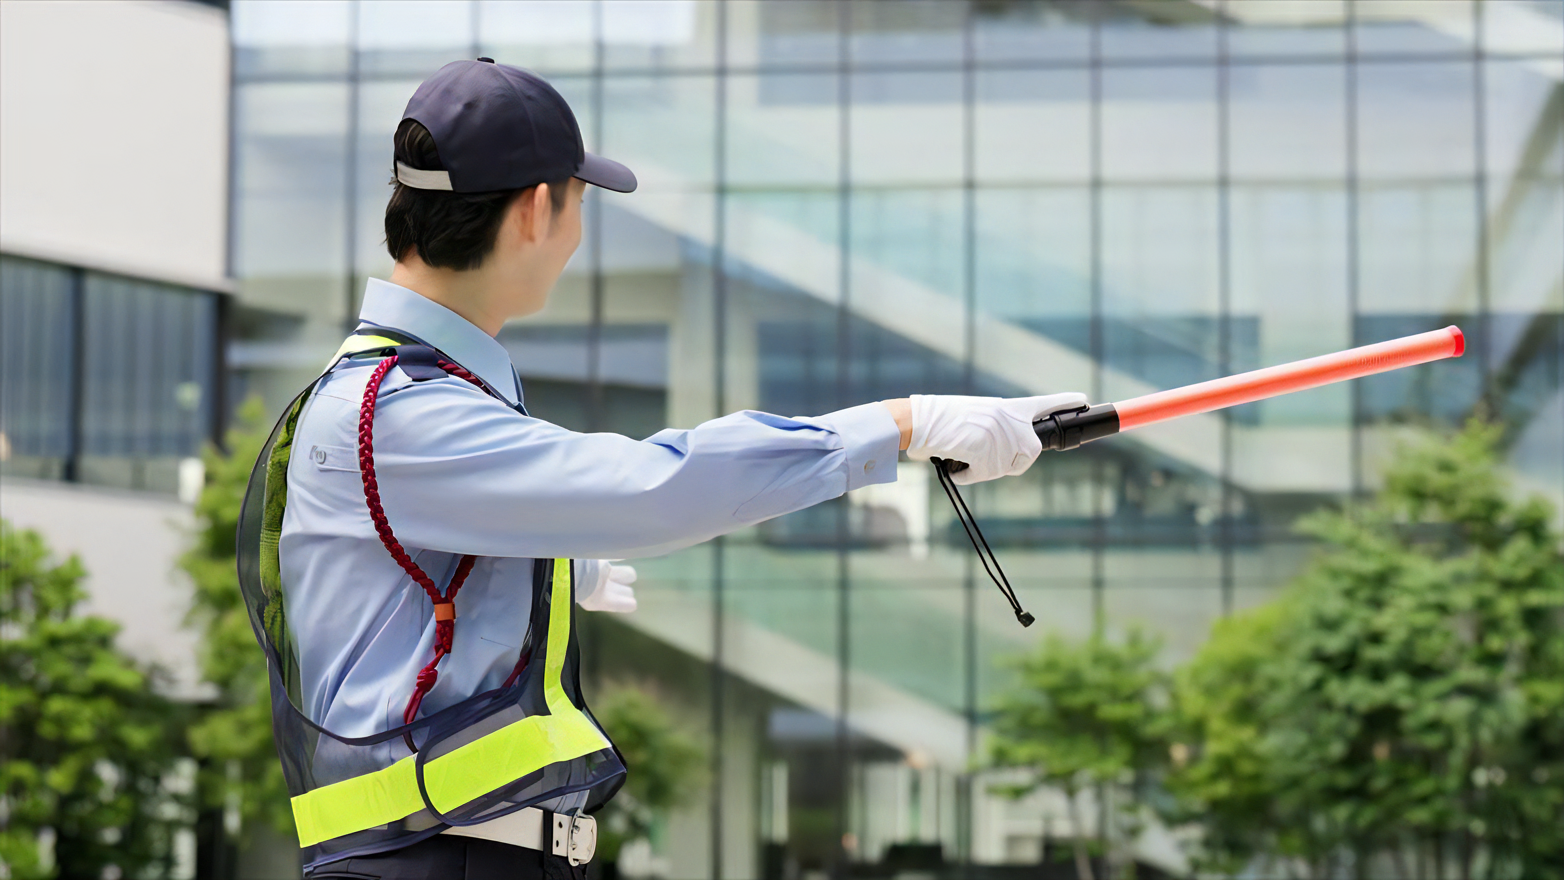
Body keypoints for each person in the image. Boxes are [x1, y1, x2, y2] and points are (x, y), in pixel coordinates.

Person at [243, 58, 1086, 879]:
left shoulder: (394, 393)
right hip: (431, 860)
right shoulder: (401, 409)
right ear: (539, 211)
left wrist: (538, 578)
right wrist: (902, 424)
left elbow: (399, 596)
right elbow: (653, 486)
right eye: (580, 205)